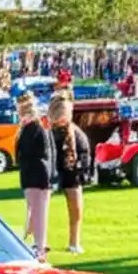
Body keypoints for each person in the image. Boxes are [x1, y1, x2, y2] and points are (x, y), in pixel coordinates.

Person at [48, 95, 92, 254]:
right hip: (52, 172)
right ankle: (38, 241)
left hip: (72, 173)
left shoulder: (77, 135)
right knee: (39, 206)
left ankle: (74, 242)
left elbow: (84, 154)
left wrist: (82, 174)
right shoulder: (49, 134)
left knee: (76, 208)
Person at [14, 93, 55, 261]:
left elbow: (36, 153)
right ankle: (37, 243)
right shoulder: (32, 130)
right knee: (36, 211)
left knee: (37, 212)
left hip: (36, 175)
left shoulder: (34, 130)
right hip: (33, 174)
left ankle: (39, 245)